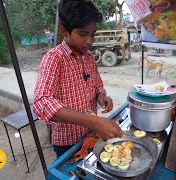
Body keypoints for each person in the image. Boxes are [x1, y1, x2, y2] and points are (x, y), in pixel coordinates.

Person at [33, 0, 123, 158]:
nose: (90, 41)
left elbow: (97, 85)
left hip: (91, 134)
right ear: (65, 31)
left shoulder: (89, 58)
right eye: (83, 34)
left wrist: (101, 96)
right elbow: (42, 102)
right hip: (67, 142)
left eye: (93, 34)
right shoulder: (54, 58)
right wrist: (93, 121)